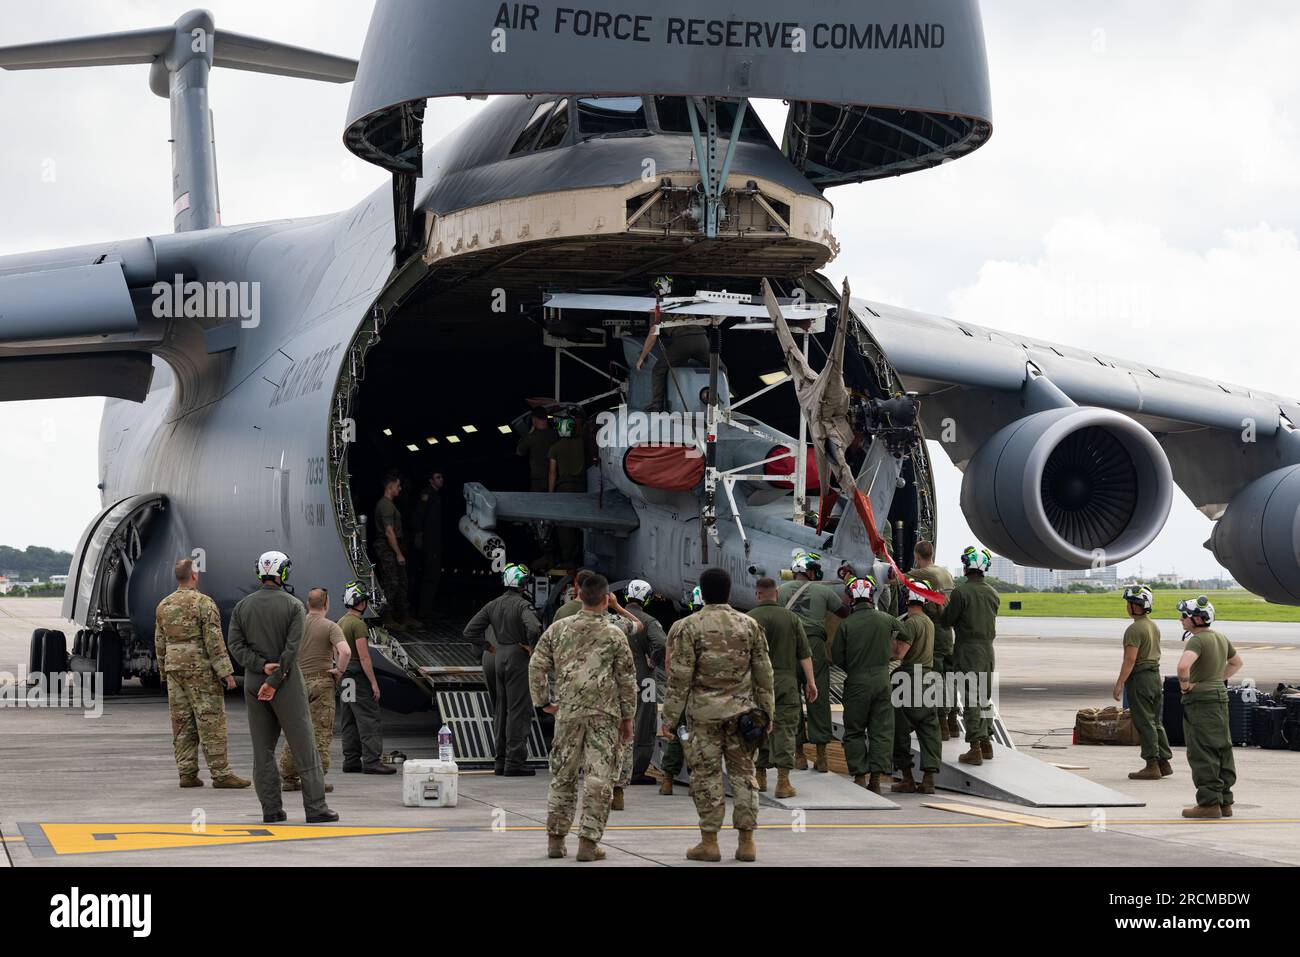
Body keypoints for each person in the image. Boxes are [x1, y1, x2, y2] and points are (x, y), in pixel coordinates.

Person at [661, 567, 774, 863]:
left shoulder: (689, 626)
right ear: (729, 591)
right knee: (744, 776)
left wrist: (670, 719)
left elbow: (680, 677)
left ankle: (709, 842)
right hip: (743, 716)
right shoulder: (749, 625)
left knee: (706, 777)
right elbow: (764, 673)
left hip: (703, 717)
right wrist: (768, 714)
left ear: (702, 591)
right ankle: (746, 842)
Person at [529, 573, 636, 862]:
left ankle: (555, 840)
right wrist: (628, 718)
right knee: (599, 779)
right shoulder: (615, 633)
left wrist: (543, 703)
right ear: (605, 600)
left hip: (568, 713)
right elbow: (627, 679)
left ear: (578, 594)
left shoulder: (558, 629)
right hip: (604, 715)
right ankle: (588, 843)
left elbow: (537, 666)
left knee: (563, 775)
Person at [226, 551, 338, 824]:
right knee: (304, 746)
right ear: (283, 573)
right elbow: (291, 650)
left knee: (262, 750)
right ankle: (315, 808)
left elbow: (235, 646)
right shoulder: (293, 605)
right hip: (285, 682)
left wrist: (260, 666)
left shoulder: (243, 606)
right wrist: (274, 680)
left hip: (254, 681)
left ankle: (271, 809)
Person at [154, 559, 250, 789]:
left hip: (174, 668)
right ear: (194, 576)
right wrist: (227, 673)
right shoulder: (203, 603)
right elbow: (214, 641)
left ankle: (186, 773)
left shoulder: (164, 605)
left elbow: (159, 641)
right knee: (211, 720)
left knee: (182, 721)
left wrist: (163, 670)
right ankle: (221, 774)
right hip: (200, 669)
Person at [464, 563, 543, 776]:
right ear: (523, 584)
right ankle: (515, 762)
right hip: (518, 656)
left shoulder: (493, 605)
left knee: (501, 708)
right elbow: (534, 627)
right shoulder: (522, 606)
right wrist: (532, 647)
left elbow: (470, 631)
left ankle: (500, 760)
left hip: (498, 654)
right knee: (518, 710)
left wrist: (487, 646)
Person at [777, 552, 849, 772]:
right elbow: (844, 612)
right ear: (809, 572)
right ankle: (821, 757)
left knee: (791, 699)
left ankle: (798, 754)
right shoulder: (823, 590)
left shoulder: (780, 591)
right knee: (817, 695)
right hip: (814, 647)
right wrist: (849, 585)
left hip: (788, 646)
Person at [748, 577, 816, 798]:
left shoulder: (748, 619)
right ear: (776, 593)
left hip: (757, 683)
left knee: (758, 728)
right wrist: (811, 682)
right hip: (786, 683)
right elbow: (804, 654)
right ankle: (783, 782)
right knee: (785, 729)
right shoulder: (791, 618)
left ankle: (759, 776)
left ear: (757, 594)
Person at [832, 576, 900, 793]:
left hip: (856, 682)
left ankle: (860, 776)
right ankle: (876, 780)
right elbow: (907, 633)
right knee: (881, 731)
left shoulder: (846, 625)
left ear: (852, 598)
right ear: (871, 596)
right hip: (882, 681)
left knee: (854, 730)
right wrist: (892, 655)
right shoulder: (886, 619)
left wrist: (853, 668)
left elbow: (836, 657)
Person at [1176, 596, 1243, 819]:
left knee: (1201, 750)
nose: (1181, 619)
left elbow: (1183, 666)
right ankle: (1225, 801)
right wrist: (1216, 678)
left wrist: (1186, 686)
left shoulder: (1196, 641)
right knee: (1221, 746)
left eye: (1184, 616)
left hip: (1201, 702)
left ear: (1196, 619)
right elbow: (1236, 663)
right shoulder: (1221, 638)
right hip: (1219, 697)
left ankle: (1208, 804)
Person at [279, 587, 351, 793]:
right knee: (320, 733)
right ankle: (315, 778)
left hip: (297, 683)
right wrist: (339, 670)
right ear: (326, 604)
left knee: (295, 731)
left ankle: (288, 777)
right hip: (321, 683)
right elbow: (345, 651)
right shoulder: (330, 626)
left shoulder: (296, 625)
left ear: (308, 603)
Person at [939, 546, 1000, 766]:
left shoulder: (961, 593)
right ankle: (986, 743)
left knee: (971, 697)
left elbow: (948, 620)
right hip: (987, 650)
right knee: (984, 696)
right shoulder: (993, 593)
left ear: (967, 567)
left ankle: (974, 748)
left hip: (968, 650)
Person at [1112, 584, 1173, 781]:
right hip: (1155, 677)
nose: (1128, 606)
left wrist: (1120, 683)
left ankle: (1152, 764)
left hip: (1140, 679)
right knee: (1156, 722)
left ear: (1136, 606)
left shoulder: (1134, 630)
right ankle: (1164, 761)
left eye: (1130, 603)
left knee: (1144, 722)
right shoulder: (1152, 625)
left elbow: (1130, 660)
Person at [336, 581, 394, 776]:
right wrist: (373, 683)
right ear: (360, 602)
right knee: (369, 718)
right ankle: (372, 760)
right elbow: (364, 657)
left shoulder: (341, 622)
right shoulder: (358, 625)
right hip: (357, 674)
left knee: (349, 717)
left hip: (344, 674)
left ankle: (351, 760)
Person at [891, 588, 941, 794]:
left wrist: (891, 643)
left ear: (907, 600)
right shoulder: (929, 622)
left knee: (899, 729)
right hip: (928, 677)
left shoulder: (910, 623)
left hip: (910, 679)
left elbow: (900, 653)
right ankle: (929, 779)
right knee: (929, 728)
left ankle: (907, 778)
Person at [908, 540, 958, 740]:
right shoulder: (945, 572)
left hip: (936, 629)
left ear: (917, 556)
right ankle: (954, 721)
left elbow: (898, 578)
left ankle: (942, 723)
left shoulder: (925, 573)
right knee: (951, 677)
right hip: (948, 632)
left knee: (936, 678)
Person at [657, 584, 703, 796]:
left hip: (680, 687)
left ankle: (667, 779)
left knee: (676, 733)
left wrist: (673, 682)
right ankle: (695, 780)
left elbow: (668, 659)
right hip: (703, 692)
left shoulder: (677, 625)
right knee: (700, 736)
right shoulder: (709, 625)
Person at [623, 579, 669, 783]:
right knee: (644, 720)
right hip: (643, 677)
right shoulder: (649, 621)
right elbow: (661, 643)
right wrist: (654, 661)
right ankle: (636, 770)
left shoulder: (612, 618)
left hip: (615, 677)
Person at [635, 312, 712, 413]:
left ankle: (657, 405)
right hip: (702, 339)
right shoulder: (686, 305)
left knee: (658, 369)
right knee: (720, 368)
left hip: (682, 341)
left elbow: (652, 336)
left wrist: (641, 358)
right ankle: (720, 399)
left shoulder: (657, 310)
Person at [374, 471, 417, 628]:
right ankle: (386, 617)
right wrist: (398, 553)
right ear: (390, 487)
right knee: (391, 583)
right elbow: (389, 531)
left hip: (393, 547)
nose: (400, 489)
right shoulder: (385, 505)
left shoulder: (390, 504)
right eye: (398, 486)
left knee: (401, 582)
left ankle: (401, 615)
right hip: (388, 548)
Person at [548, 414, 587, 569]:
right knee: (581, 525)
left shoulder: (555, 447)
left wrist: (550, 495)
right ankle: (580, 558)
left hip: (564, 489)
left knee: (565, 528)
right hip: (582, 489)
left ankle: (568, 560)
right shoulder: (581, 443)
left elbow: (552, 472)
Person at [413, 469, 445, 622]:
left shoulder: (436, 495)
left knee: (433, 574)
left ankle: (427, 608)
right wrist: (419, 535)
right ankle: (424, 610)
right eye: (438, 477)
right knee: (429, 575)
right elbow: (420, 515)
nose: (441, 479)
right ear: (431, 480)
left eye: (441, 477)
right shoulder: (427, 494)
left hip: (434, 541)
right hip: (429, 543)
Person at [516, 410, 556, 492]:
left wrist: (530, 432)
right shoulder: (555, 434)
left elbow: (519, 452)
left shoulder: (532, 437)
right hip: (555, 479)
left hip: (538, 480)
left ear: (534, 420)